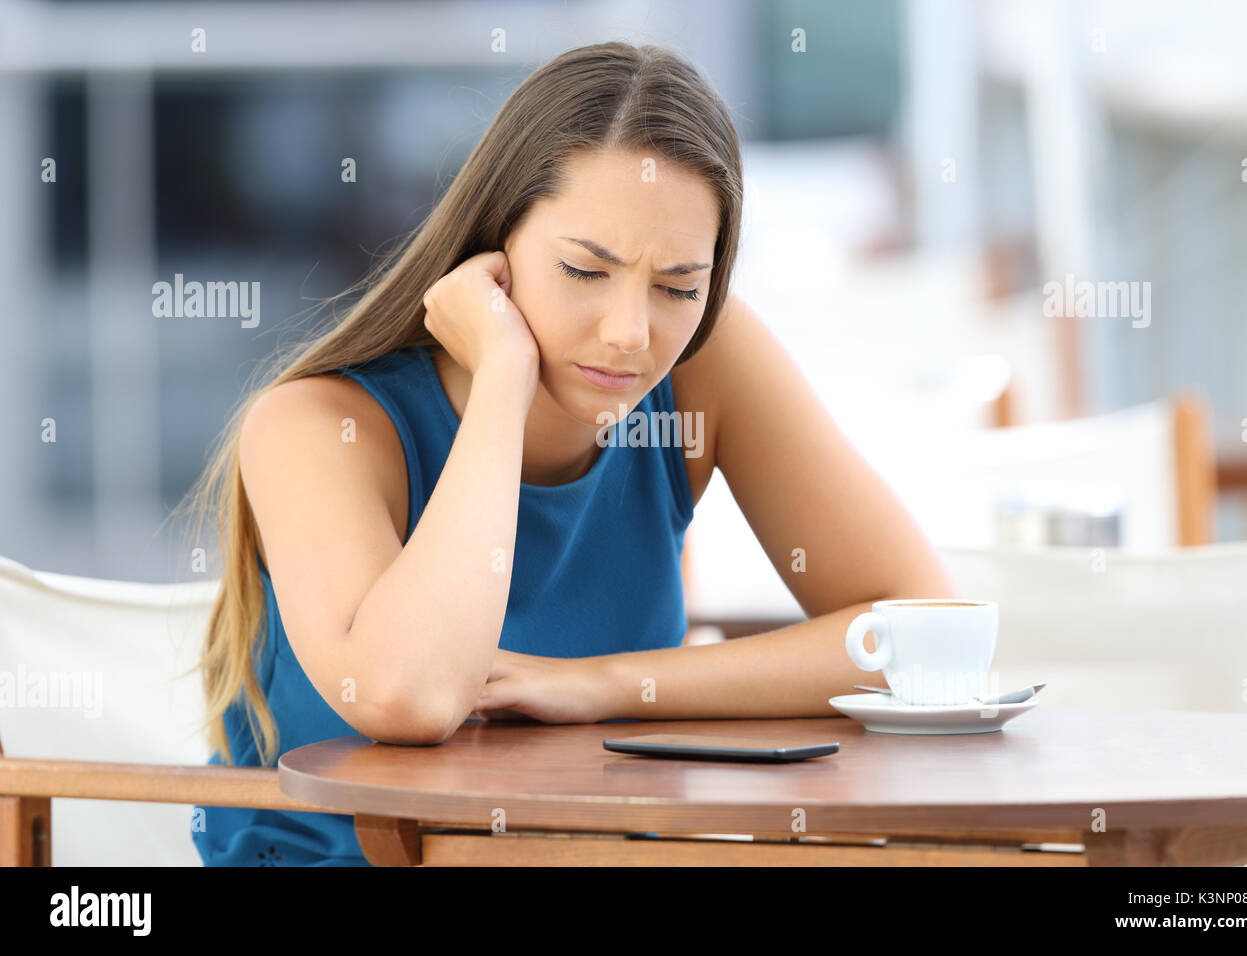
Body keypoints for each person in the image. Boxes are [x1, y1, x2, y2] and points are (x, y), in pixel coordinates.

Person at [179, 40, 955, 867]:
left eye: (679, 287)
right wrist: (503, 380)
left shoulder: (704, 366)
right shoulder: (315, 426)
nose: (630, 333)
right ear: (494, 246)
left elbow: (926, 637)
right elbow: (411, 695)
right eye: (587, 271)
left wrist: (603, 686)